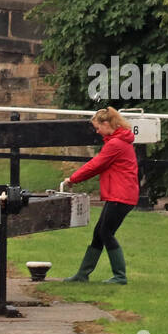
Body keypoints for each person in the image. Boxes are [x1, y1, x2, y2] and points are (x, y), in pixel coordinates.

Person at [60, 107, 139, 283]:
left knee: (105, 232)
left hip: (121, 196)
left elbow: (95, 165)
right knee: (99, 232)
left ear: (106, 123)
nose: (97, 131)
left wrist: (73, 179)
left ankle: (120, 276)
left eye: (97, 127)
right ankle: (82, 274)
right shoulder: (119, 141)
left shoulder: (115, 144)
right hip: (121, 195)